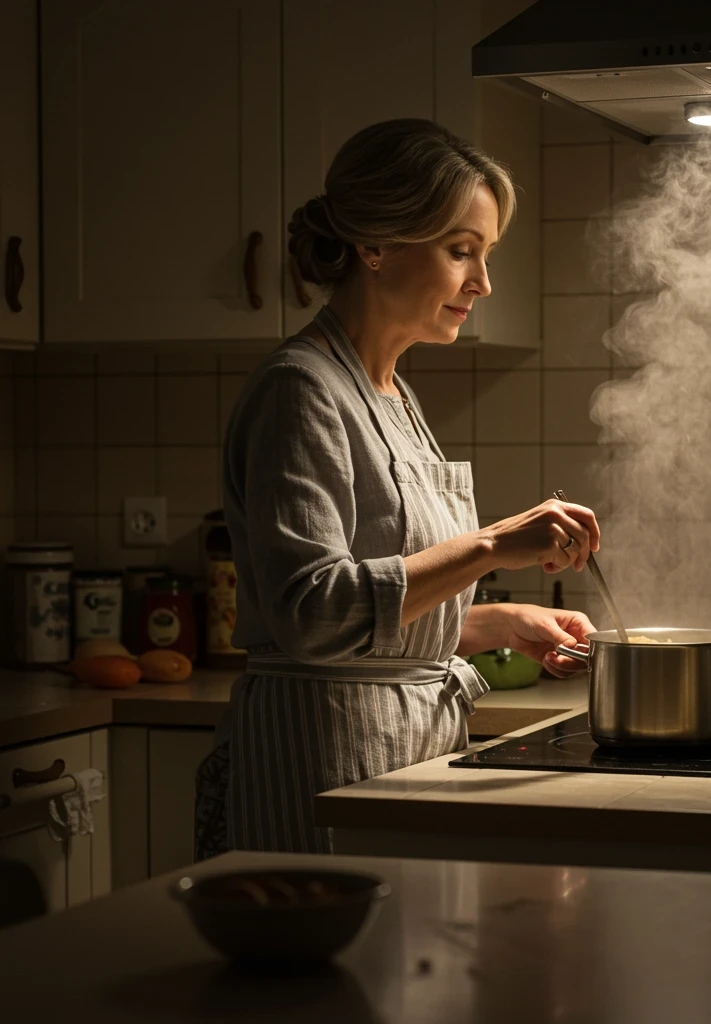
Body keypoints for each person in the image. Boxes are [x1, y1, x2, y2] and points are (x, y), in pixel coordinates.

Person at [194, 118, 601, 857]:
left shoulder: (391, 393)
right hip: (321, 762)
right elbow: (314, 616)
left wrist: (498, 624)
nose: (482, 282)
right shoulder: (300, 390)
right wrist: (493, 544)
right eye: (460, 252)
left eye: (485, 255)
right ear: (374, 246)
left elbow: (377, 622)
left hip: (398, 756)